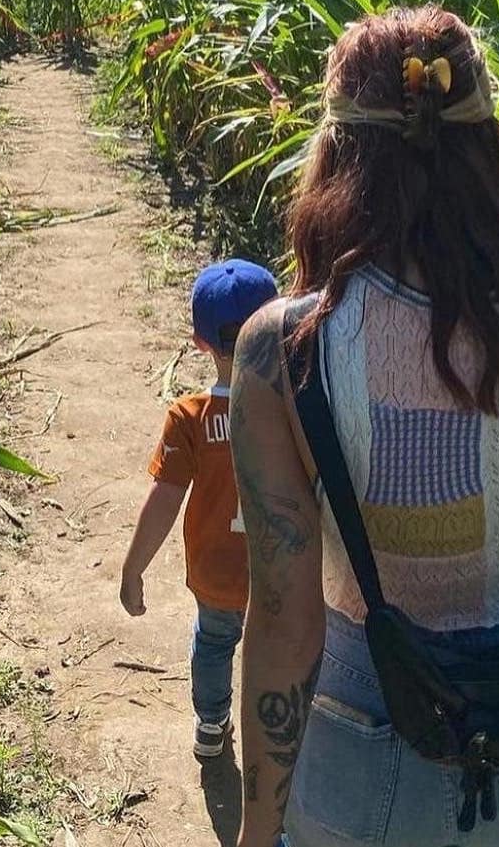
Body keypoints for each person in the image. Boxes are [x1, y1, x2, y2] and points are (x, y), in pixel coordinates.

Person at [229, 6, 499, 847]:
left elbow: (285, 619)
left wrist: (255, 830)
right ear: (491, 147)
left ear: (337, 153)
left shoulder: (284, 349)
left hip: (363, 758)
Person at [121, 257, 280, 759]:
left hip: (216, 571)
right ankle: (281, 731)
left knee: (213, 643)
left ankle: (211, 724)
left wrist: (134, 567)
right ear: (279, 328)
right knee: (280, 646)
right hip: (283, 568)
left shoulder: (189, 417)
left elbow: (164, 498)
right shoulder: (295, 407)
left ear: (200, 342)